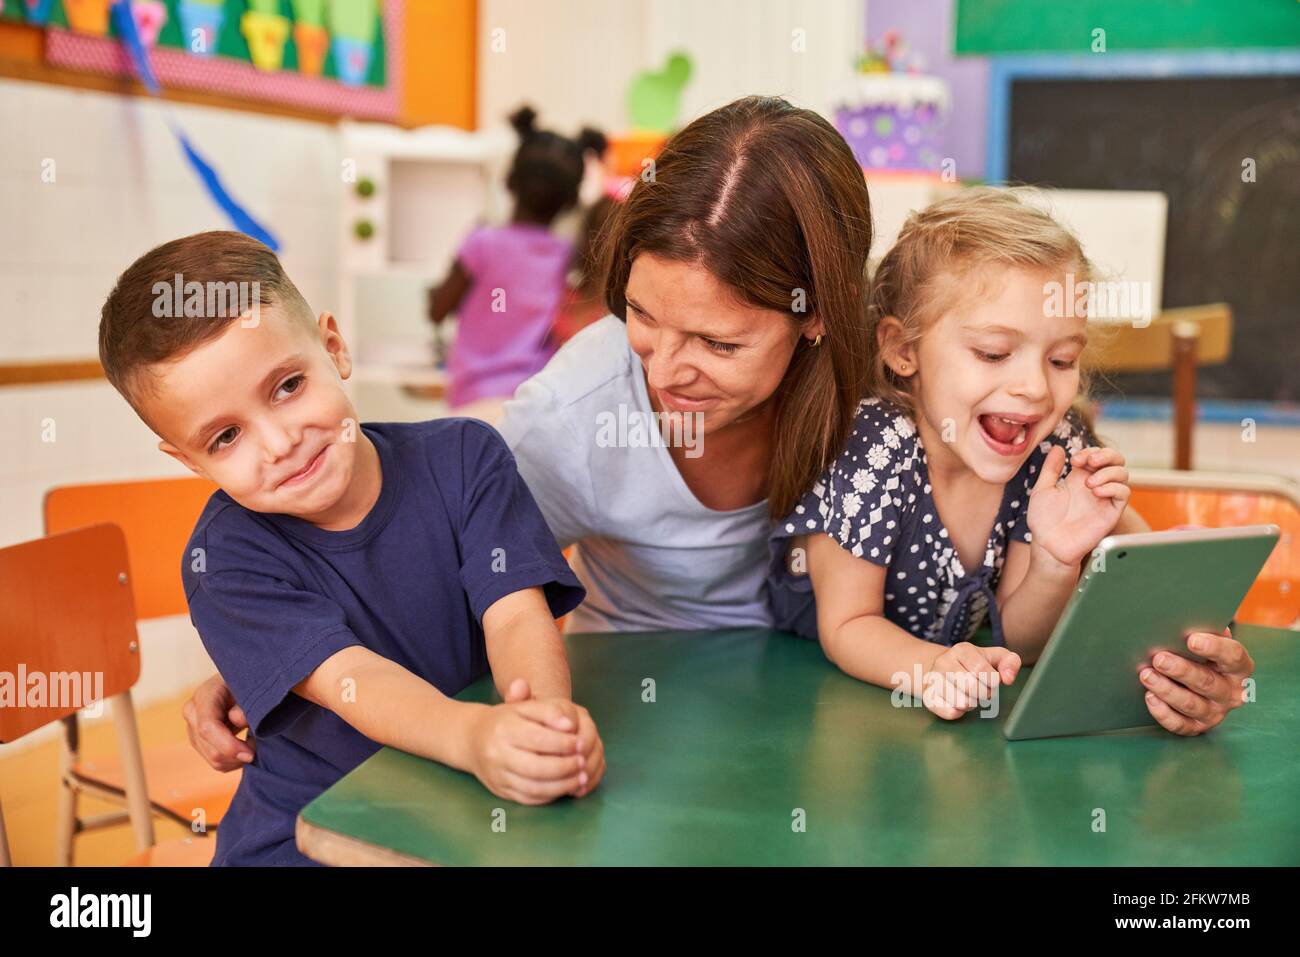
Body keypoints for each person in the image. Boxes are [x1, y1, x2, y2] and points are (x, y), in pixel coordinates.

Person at [99, 232, 604, 864]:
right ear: (187, 459)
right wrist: (477, 736)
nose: (280, 442)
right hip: (312, 835)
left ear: (333, 348)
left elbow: (516, 615)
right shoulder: (223, 559)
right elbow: (351, 680)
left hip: (470, 802)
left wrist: (542, 727)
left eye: (286, 387)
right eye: (226, 436)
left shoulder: (465, 458)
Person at [767, 188, 1253, 735]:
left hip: (957, 695)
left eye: (1062, 358)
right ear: (904, 351)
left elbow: (1019, 641)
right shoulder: (874, 450)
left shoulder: (1050, 450)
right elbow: (849, 626)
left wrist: (1054, 562)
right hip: (813, 701)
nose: (1034, 388)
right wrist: (932, 669)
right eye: (994, 353)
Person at [428, 105, 607, 422]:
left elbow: (438, 310)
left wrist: (436, 293)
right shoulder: (567, 256)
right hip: (535, 403)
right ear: (569, 201)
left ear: (509, 179)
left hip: (472, 403)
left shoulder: (482, 242)